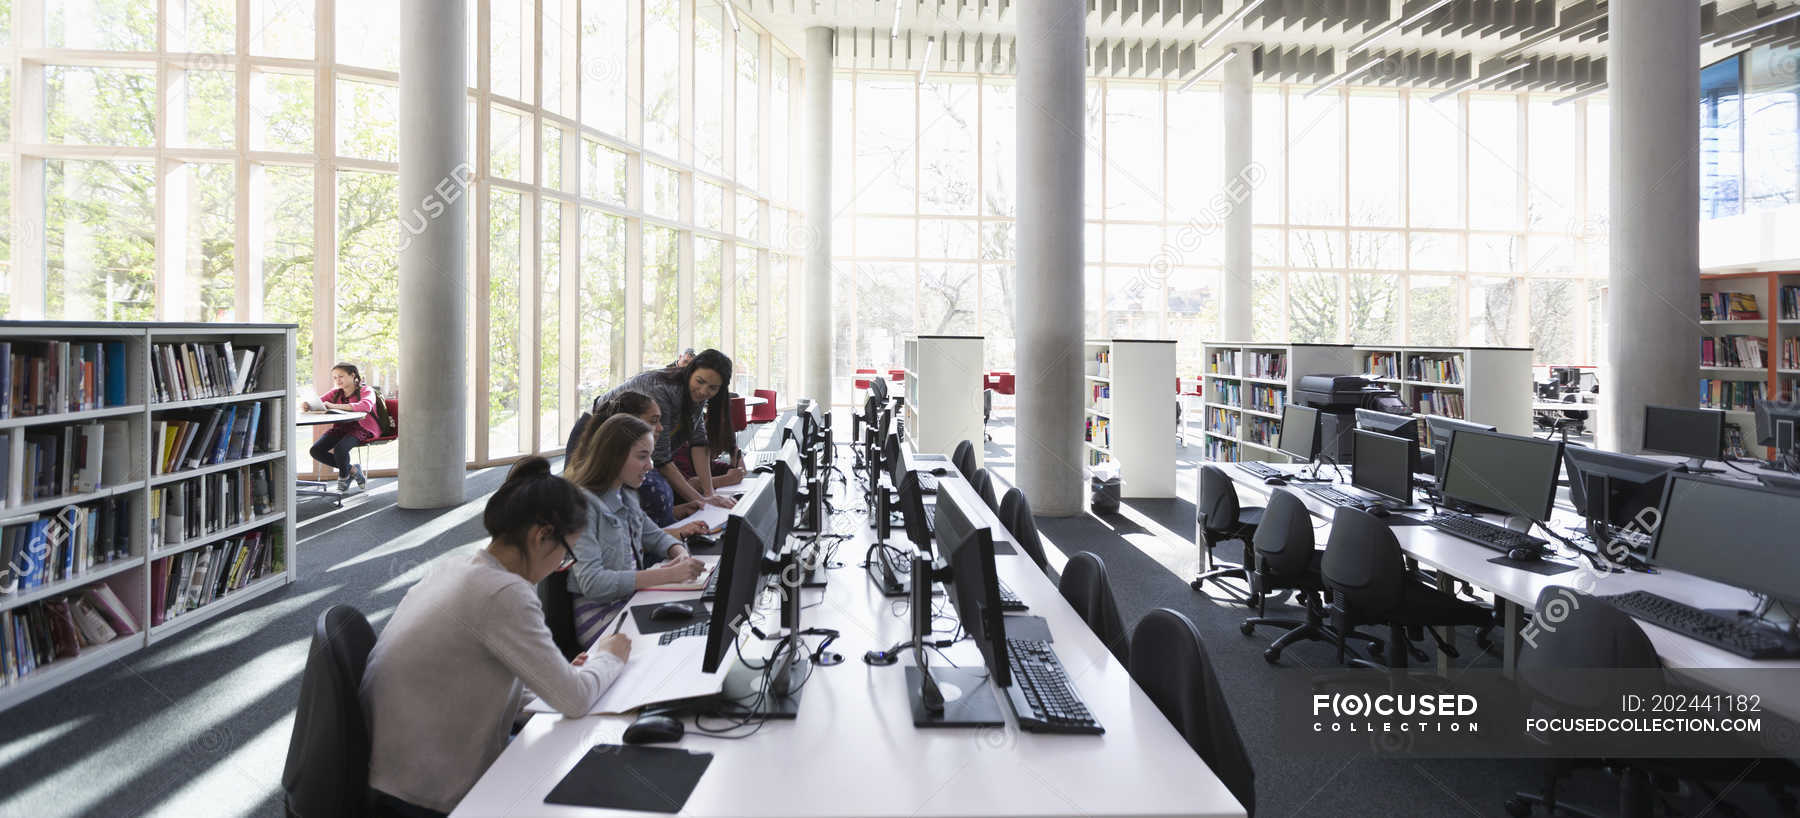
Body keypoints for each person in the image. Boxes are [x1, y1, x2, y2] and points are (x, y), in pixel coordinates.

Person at [360, 457, 631, 818]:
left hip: (397, 770)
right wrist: (609, 656)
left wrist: (555, 677)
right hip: (429, 793)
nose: (562, 568)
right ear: (541, 536)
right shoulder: (504, 593)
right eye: (567, 558)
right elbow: (577, 700)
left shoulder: (461, 567)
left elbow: (477, 676)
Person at [562, 414, 708, 644]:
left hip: (630, 603)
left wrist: (679, 554)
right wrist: (667, 575)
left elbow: (657, 537)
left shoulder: (626, 493)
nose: (650, 465)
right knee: (693, 639)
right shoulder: (583, 504)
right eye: (642, 456)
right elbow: (593, 583)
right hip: (603, 620)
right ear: (613, 457)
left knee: (703, 624)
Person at [602, 349, 741, 509]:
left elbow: (699, 441)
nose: (704, 391)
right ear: (690, 371)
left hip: (629, 454)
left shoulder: (694, 395)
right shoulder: (662, 390)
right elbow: (661, 457)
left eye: (712, 388)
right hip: (598, 440)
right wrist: (703, 502)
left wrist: (710, 494)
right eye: (700, 381)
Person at [584, 391, 720, 529]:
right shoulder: (603, 498)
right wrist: (679, 534)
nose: (661, 428)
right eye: (654, 421)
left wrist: (679, 511)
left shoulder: (627, 491)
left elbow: (644, 524)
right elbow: (637, 540)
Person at [301, 362, 379, 493]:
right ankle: (353, 469)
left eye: (341, 376)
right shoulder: (336, 393)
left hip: (361, 428)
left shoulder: (366, 390)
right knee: (315, 450)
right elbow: (320, 403)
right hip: (341, 428)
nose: (338, 380)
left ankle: (344, 476)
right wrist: (307, 405)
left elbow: (365, 406)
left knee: (340, 449)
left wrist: (334, 406)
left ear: (353, 375)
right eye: (335, 378)